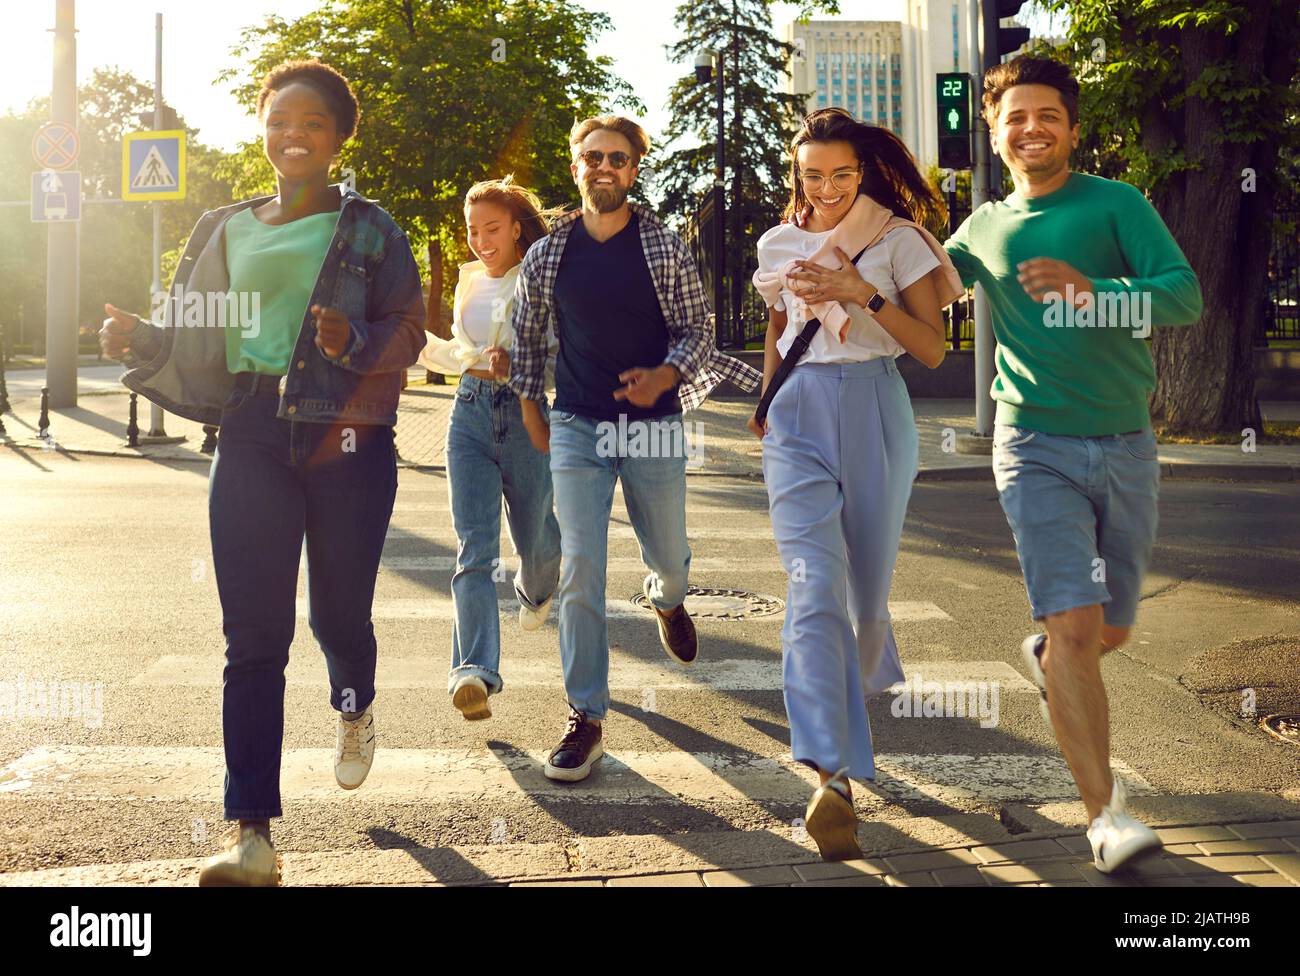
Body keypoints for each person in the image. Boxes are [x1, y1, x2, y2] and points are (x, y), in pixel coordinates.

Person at [99, 60, 426, 886]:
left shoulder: (372, 229)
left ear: (339, 136)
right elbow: (190, 327)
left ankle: (355, 705)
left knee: (338, 620)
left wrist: (348, 343)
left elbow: (409, 331)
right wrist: (141, 339)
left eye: (314, 123)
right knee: (253, 640)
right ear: (263, 125)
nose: (295, 136)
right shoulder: (225, 225)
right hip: (249, 433)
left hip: (345, 437)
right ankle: (252, 835)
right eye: (282, 120)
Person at [943, 56, 1203, 873]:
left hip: (1125, 441)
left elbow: (1184, 296)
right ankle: (1106, 818)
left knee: (1107, 630)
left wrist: (1098, 293)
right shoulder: (982, 227)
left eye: (1046, 114)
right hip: (1032, 444)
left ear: (1072, 127)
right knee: (1077, 628)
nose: (1030, 129)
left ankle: (1054, 660)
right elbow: (922, 292)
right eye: (1014, 117)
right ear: (994, 131)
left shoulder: (1117, 204)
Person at [508, 114, 761, 783]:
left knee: (669, 556)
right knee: (580, 569)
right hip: (579, 426)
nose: (604, 168)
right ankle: (585, 717)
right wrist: (534, 410)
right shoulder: (548, 254)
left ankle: (668, 599)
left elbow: (697, 329)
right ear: (575, 166)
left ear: (633, 168)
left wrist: (666, 374)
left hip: (653, 426)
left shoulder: (663, 245)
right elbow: (528, 338)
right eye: (592, 157)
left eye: (617, 158)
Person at [749, 108, 964, 860]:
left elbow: (933, 351)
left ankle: (867, 661)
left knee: (862, 595)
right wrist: (767, 403)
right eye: (813, 175)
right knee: (812, 582)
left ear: (864, 171)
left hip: (875, 406)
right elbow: (778, 328)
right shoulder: (777, 241)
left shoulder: (899, 241)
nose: (827, 188)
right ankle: (829, 774)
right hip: (798, 414)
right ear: (796, 175)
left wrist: (856, 291)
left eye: (842, 174)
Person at [418, 177, 562, 721]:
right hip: (470, 414)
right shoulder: (470, 281)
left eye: (492, 229)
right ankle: (473, 672)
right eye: (473, 229)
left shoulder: (539, 281)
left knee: (537, 541)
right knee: (474, 548)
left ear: (517, 229)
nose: (480, 240)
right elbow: (460, 353)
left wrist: (521, 367)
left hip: (525, 416)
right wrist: (417, 341)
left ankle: (539, 586)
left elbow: (560, 360)